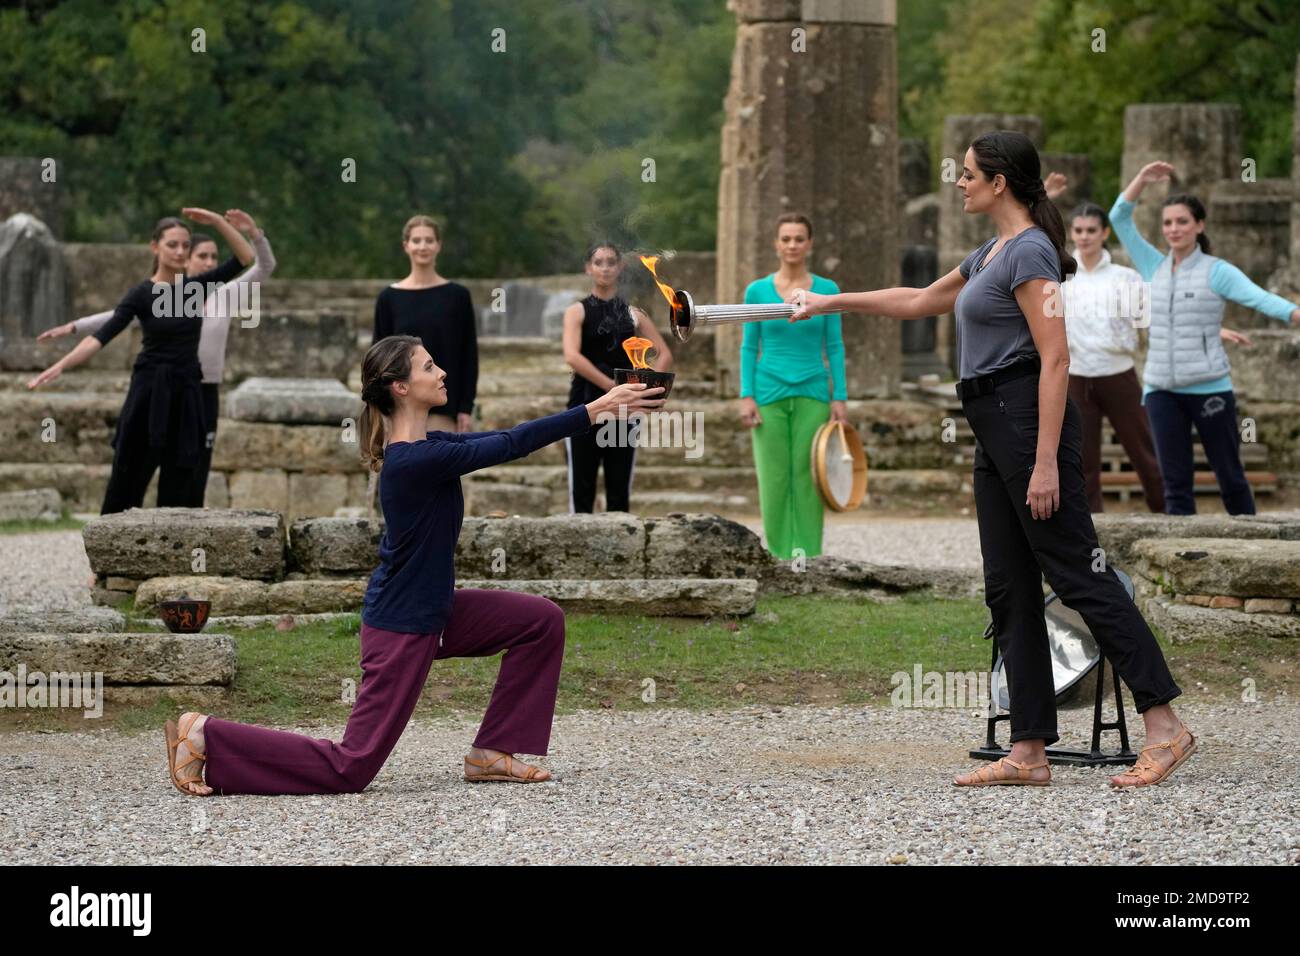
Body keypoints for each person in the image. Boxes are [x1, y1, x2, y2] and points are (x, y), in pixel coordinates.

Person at [789, 131, 1193, 789]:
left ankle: (1166, 726)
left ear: (999, 181)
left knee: (1080, 572)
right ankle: (1029, 748)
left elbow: (1057, 357)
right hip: (991, 421)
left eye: (969, 173)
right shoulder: (992, 252)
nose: (960, 182)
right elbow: (919, 300)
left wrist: (1042, 463)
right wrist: (830, 302)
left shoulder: (1032, 251)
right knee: (1008, 586)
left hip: (1028, 423)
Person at [163, 334, 665, 796]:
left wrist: (595, 411)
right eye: (429, 366)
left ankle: (491, 753)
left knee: (540, 621)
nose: (442, 371)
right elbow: (512, 445)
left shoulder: (432, 449)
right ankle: (203, 733)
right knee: (350, 767)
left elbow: (508, 435)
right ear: (402, 387)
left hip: (434, 613)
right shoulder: (411, 461)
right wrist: (595, 409)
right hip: (402, 626)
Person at [38, 210, 274, 505]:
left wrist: (217, 222)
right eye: (172, 245)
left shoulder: (197, 289)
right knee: (129, 476)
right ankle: (112, 541)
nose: (179, 252)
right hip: (150, 393)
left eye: (184, 246)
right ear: (155, 247)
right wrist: (63, 361)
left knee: (182, 483)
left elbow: (245, 258)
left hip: (190, 393)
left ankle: (175, 543)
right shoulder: (142, 294)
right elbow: (107, 330)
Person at [1110, 162, 1300, 515]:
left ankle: (1251, 547)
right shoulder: (1154, 266)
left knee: (1229, 475)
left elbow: (1261, 298)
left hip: (1209, 389)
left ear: (1199, 225)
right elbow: (1119, 218)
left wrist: (1295, 314)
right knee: (1175, 483)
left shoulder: (1218, 271)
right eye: (1168, 222)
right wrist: (1140, 179)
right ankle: (1181, 558)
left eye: (1182, 221)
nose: (1174, 229)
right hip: (1160, 390)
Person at [739, 213, 847, 560]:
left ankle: (807, 557)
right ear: (776, 244)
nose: (792, 245)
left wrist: (839, 397)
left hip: (813, 392)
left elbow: (834, 346)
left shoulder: (827, 290)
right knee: (773, 479)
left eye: (799, 238)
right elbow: (748, 346)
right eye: (786, 238)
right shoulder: (756, 290)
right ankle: (779, 557)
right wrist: (746, 395)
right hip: (767, 392)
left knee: (808, 478)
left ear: (809, 244)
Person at [1054, 200, 1165, 513]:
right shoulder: (1060, 278)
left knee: (1145, 454)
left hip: (1119, 375)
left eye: (1091, 230)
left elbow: (1154, 322)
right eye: (1078, 230)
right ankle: (1091, 532)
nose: (1084, 236)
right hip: (1075, 377)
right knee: (1083, 460)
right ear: (1071, 233)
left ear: (1104, 233)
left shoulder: (1126, 278)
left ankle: (1169, 517)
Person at [561, 242, 673, 513]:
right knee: (582, 489)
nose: (605, 268)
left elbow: (665, 355)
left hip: (625, 411)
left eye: (611, 262)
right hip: (584, 407)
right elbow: (572, 356)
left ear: (620, 267)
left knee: (619, 490)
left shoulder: (633, 314)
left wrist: (650, 393)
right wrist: (612, 387)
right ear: (588, 268)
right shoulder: (577, 311)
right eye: (598, 262)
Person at [372, 215, 478, 434]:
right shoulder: (388, 298)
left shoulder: (458, 296)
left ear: (438, 245)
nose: (423, 246)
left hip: (443, 407)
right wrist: (380, 408)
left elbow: (468, 355)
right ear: (406, 245)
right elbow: (378, 359)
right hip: (399, 409)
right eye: (416, 240)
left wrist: (465, 407)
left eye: (429, 240)